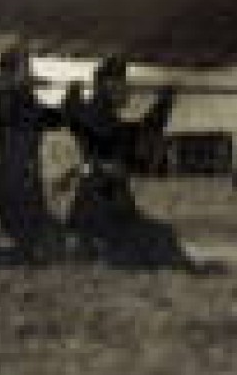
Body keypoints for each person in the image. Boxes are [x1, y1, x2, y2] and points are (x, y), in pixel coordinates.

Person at [62, 59, 200, 270]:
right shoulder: (98, 116)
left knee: (156, 237)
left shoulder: (97, 114)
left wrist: (72, 95)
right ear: (108, 86)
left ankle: (94, 248)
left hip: (99, 202)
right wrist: (163, 104)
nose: (127, 91)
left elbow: (132, 134)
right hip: (102, 204)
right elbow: (134, 135)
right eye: (122, 85)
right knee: (158, 238)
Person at [0, 50, 69, 263]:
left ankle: (29, 250)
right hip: (14, 168)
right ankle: (29, 251)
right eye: (25, 68)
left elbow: (47, 118)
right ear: (13, 71)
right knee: (28, 220)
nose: (29, 72)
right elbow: (38, 118)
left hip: (15, 168)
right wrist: (67, 106)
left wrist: (65, 106)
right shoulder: (8, 96)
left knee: (29, 222)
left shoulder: (11, 95)